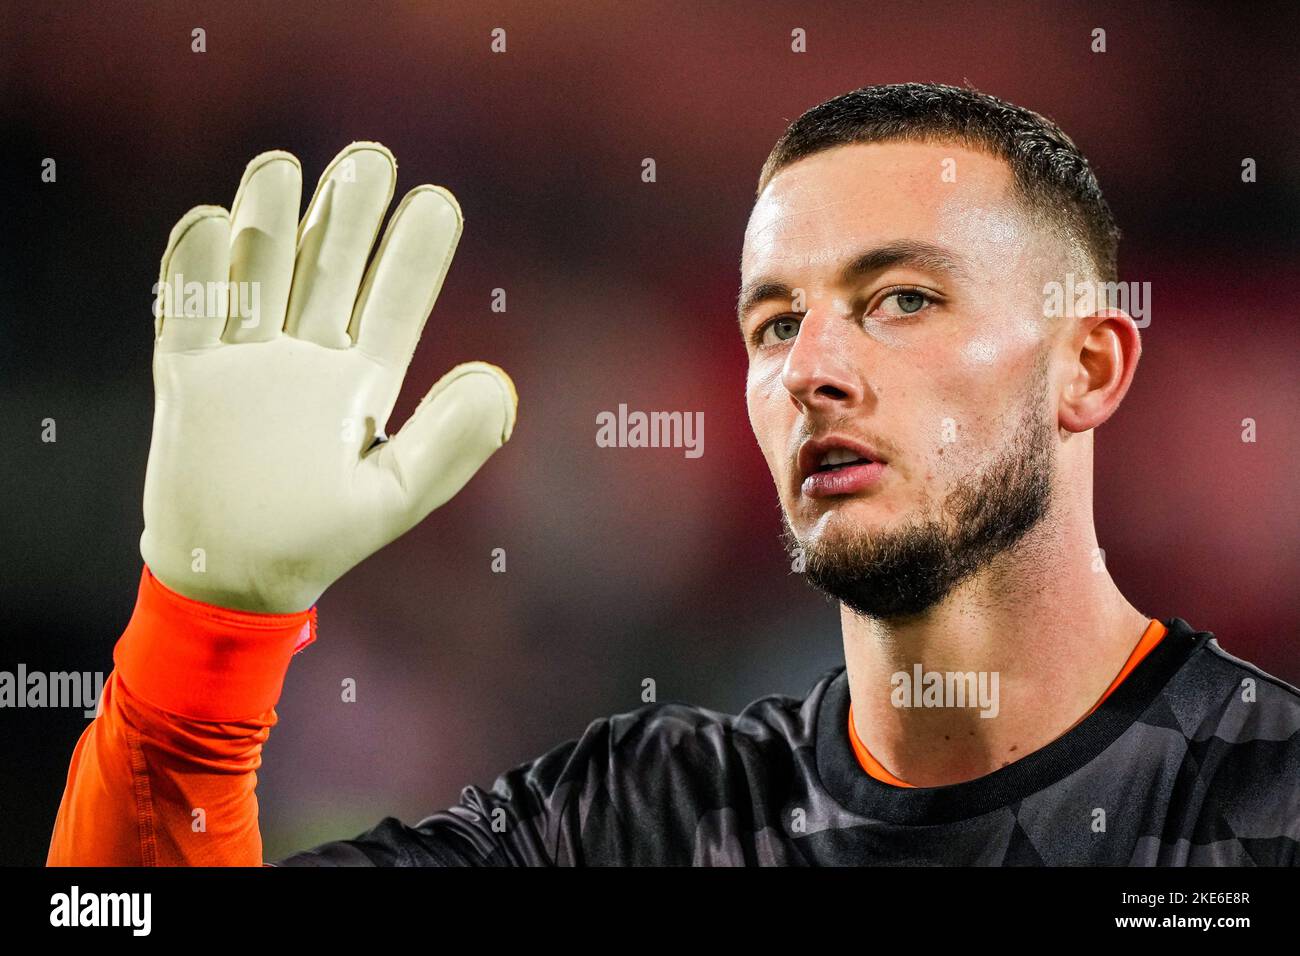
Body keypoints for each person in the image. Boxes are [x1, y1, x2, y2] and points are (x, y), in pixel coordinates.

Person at [48, 83, 1299, 866]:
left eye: (900, 299)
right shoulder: (631, 814)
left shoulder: (1264, 798)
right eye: (770, 323)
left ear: (1086, 365)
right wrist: (201, 644)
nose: (811, 367)